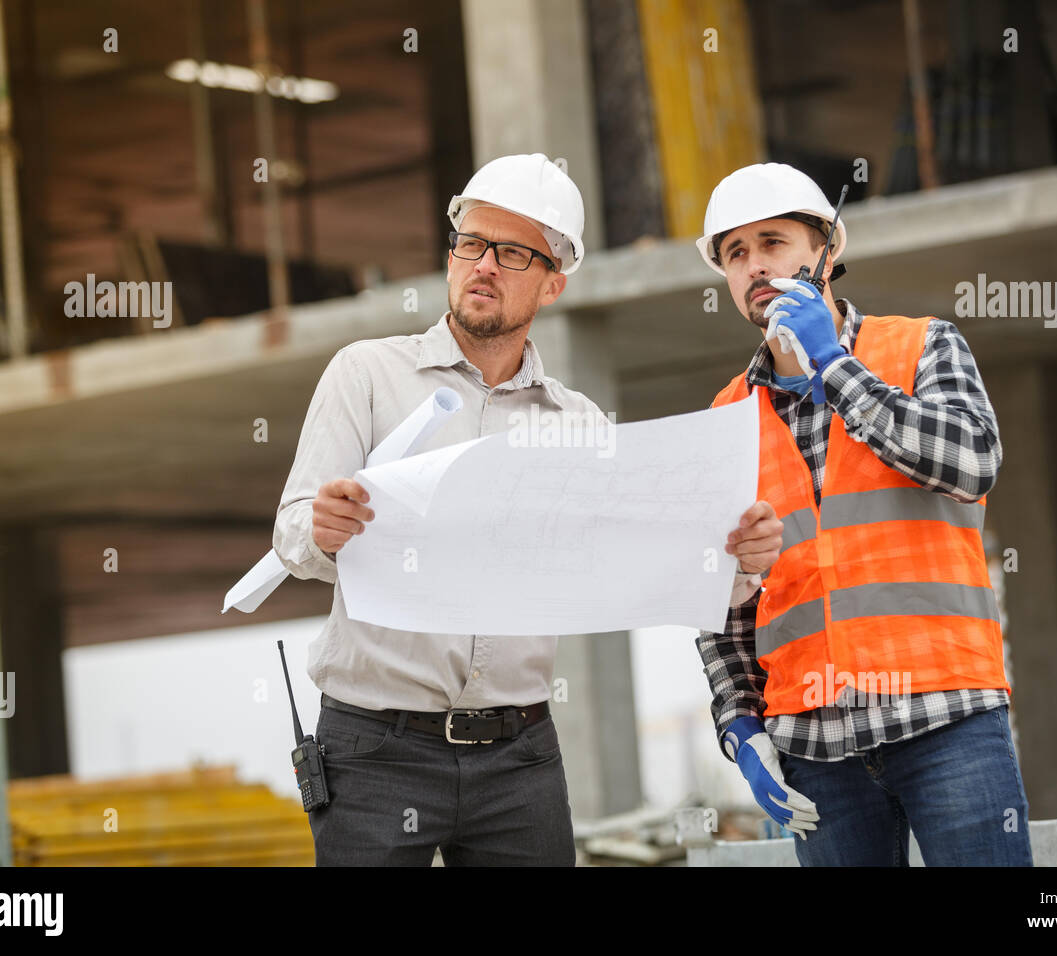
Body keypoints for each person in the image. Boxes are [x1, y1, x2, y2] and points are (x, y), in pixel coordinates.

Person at [274, 153, 785, 866]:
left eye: (512, 253)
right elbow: (294, 532)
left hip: (518, 757)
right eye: (472, 244)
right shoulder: (365, 374)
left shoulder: (578, 424)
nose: (483, 265)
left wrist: (738, 564)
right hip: (373, 749)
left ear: (553, 283)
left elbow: (645, 566)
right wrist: (322, 530)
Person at [694, 162, 1033, 866]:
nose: (755, 265)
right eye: (735, 253)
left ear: (828, 248)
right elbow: (713, 594)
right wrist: (740, 723)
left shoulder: (923, 346)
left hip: (948, 722)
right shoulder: (726, 416)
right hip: (815, 754)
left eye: (773, 241)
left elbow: (972, 461)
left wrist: (834, 368)